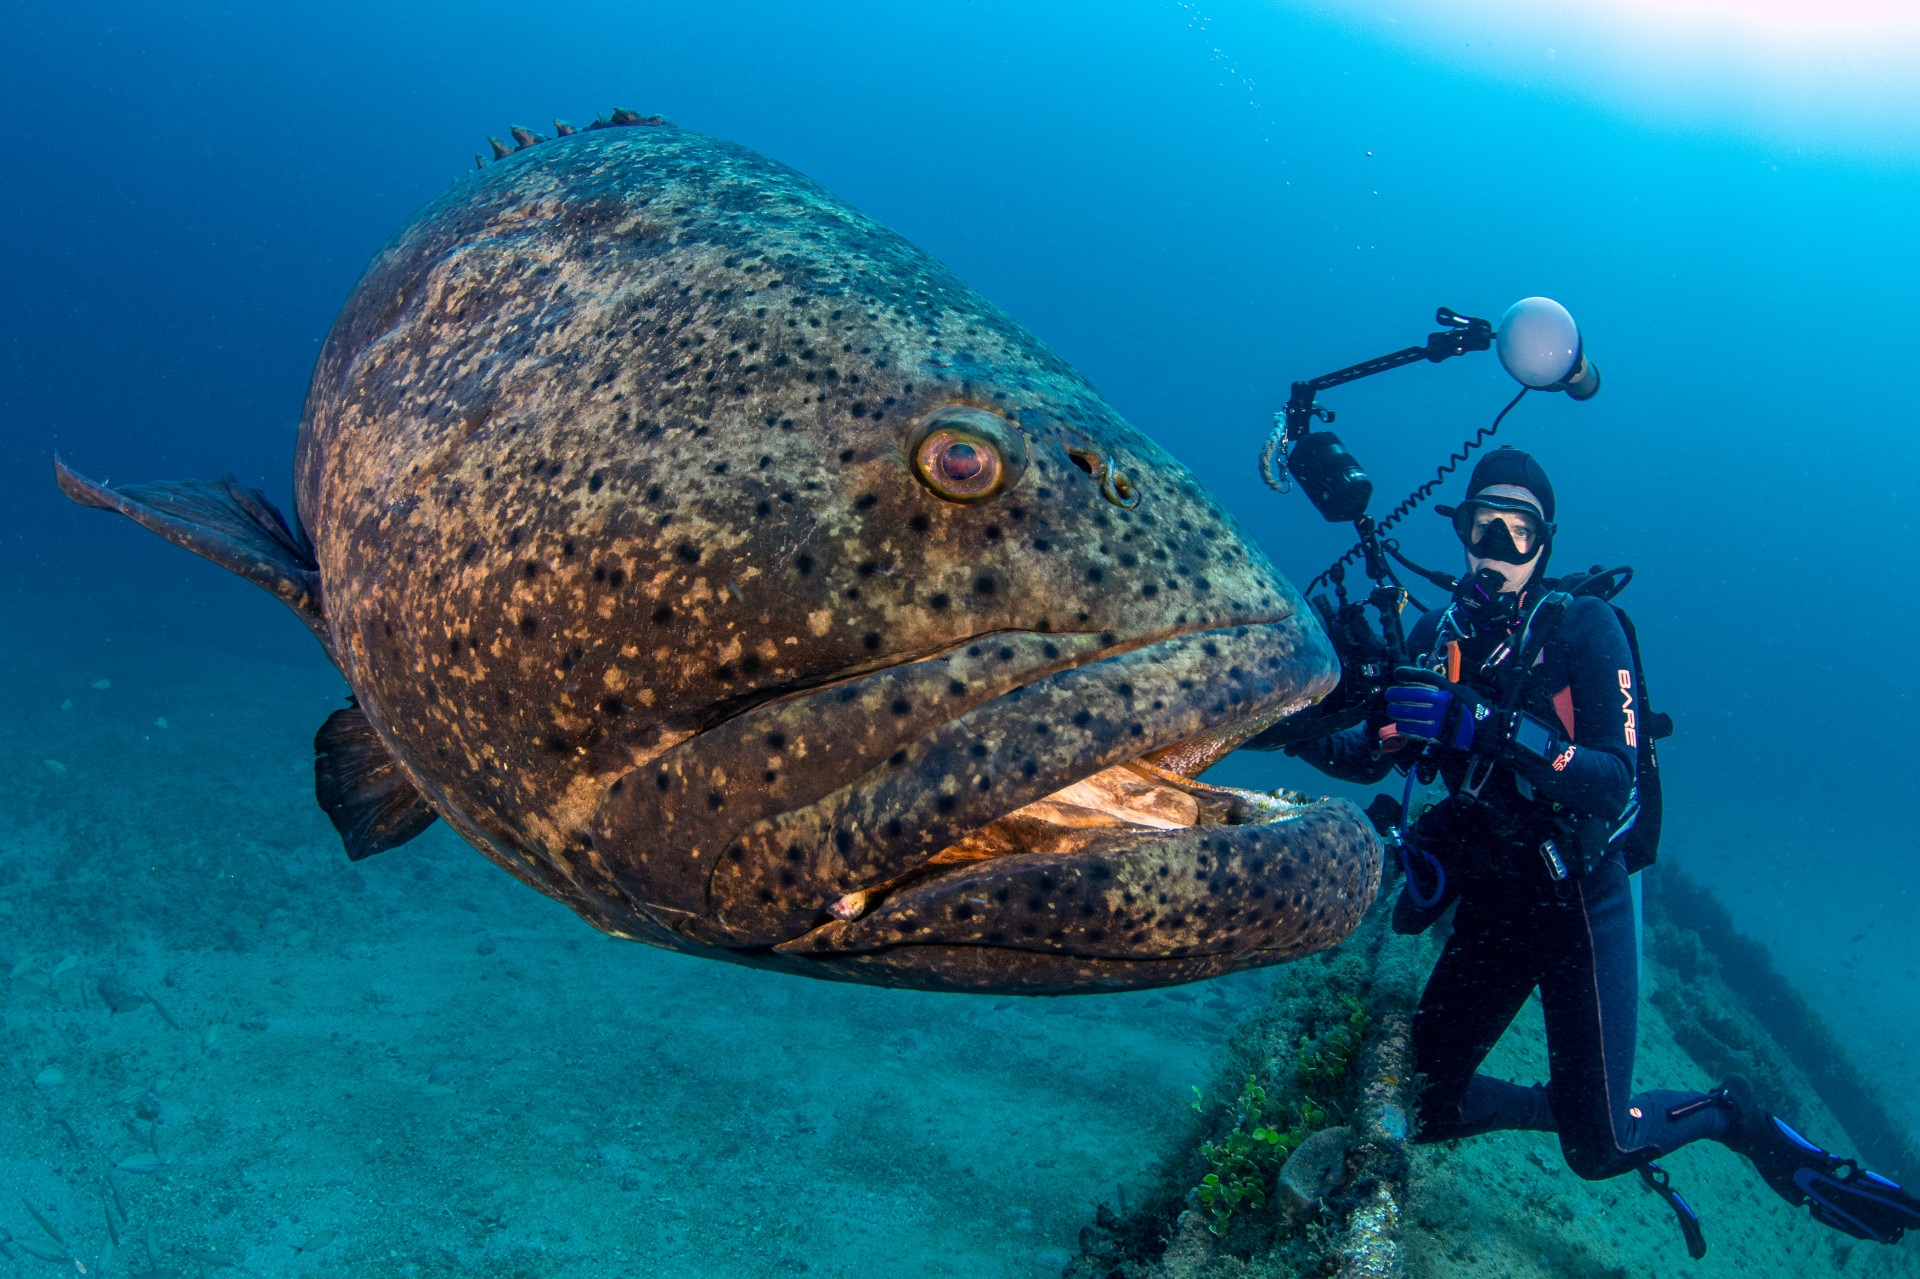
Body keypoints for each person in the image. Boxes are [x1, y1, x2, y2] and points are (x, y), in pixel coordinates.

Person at [1262, 446, 1920, 1249]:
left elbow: (1613, 780)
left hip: (1579, 894)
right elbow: (1375, 751)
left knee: (1601, 1147)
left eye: (1517, 533)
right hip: (1497, 899)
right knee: (1426, 1104)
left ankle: (1730, 1112)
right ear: (1460, 530)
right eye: (1481, 528)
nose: (1495, 552)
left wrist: (1490, 725)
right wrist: (1289, 722)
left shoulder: (1582, 629)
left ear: (1546, 543)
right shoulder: (1440, 635)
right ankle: (1564, 1100)